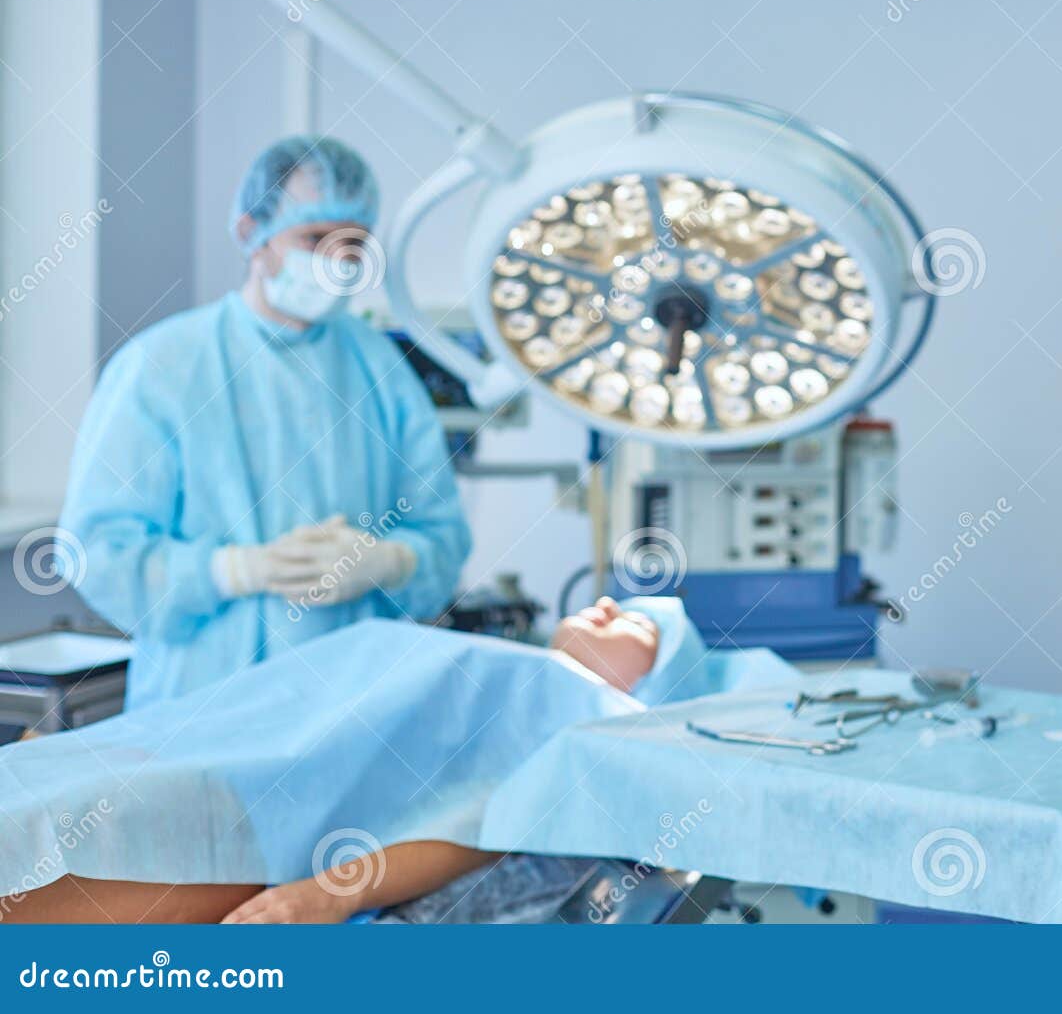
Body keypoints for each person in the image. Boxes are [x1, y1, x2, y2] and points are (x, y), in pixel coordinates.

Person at [60, 137, 472, 708]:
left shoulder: (378, 367)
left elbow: (442, 536)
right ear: (251, 232)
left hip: (355, 705)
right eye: (314, 239)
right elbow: (97, 551)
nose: (337, 261)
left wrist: (392, 561)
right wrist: (232, 571)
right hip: (201, 709)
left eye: (354, 244)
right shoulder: (163, 366)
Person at [4, 598, 662, 925]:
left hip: (229, 812)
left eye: (640, 621)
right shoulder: (490, 659)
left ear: (660, 681)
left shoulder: (585, 708)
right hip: (176, 752)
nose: (605, 605)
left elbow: (481, 819)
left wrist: (317, 896)